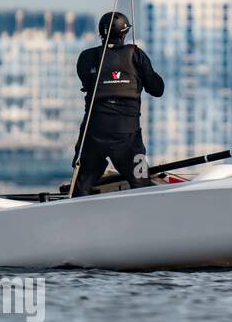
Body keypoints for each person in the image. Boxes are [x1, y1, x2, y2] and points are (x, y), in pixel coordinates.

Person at [70, 11, 165, 196]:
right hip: (128, 138)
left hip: (93, 136)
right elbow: (157, 89)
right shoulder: (135, 54)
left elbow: (86, 82)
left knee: (79, 191)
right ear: (124, 34)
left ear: (101, 34)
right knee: (142, 189)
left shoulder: (86, 58)